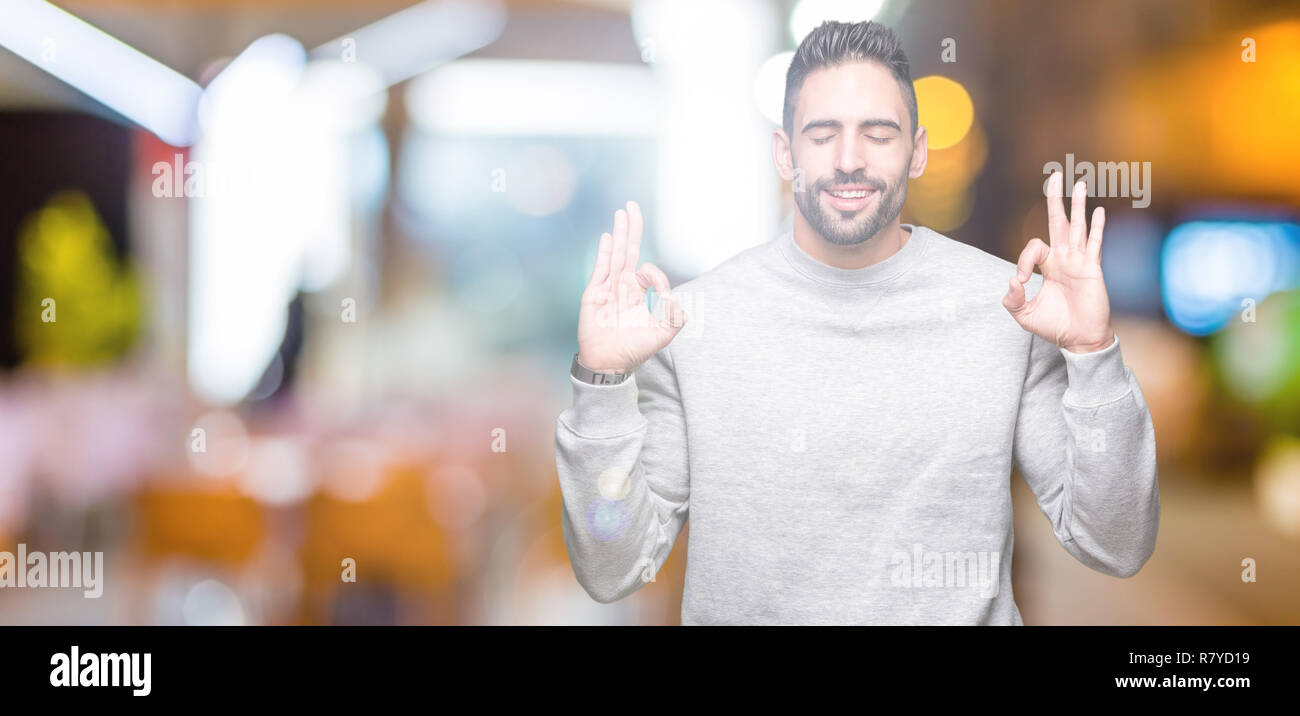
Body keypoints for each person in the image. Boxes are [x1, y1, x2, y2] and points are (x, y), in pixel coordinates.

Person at [553, 20, 1159, 625]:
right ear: (784, 153)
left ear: (916, 150)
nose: (849, 160)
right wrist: (602, 385)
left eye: (877, 133)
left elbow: (1116, 542)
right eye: (822, 134)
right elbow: (612, 567)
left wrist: (1092, 352)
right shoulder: (693, 322)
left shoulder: (1005, 308)